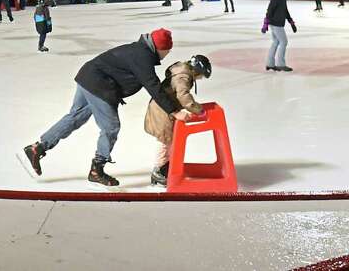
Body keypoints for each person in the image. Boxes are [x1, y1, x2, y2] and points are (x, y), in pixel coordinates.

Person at [22, 29, 186, 187]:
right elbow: (152, 84)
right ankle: (97, 170)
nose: (168, 54)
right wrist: (174, 111)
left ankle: (38, 148)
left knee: (75, 118)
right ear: (161, 47)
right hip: (99, 85)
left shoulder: (139, 50)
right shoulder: (143, 56)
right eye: (168, 50)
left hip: (88, 77)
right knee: (111, 127)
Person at [144, 54, 210, 185]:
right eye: (200, 76)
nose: (199, 78)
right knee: (164, 140)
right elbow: (183, 96)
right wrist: (199, 110)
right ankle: (158, 172)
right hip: (161, 111)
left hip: (164, 108)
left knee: (168, 140)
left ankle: (165, 166)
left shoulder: (182, 71)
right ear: (196, 70)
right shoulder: (183, 77)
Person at [263, 0, 297, 72]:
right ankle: (281, 64)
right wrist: (265, 23)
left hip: (276, 22)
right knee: (283, 41)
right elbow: (270, 9)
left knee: (276, 42)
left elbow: (285, 10)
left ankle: (270, 63)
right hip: (276, 23)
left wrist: (291, 22)